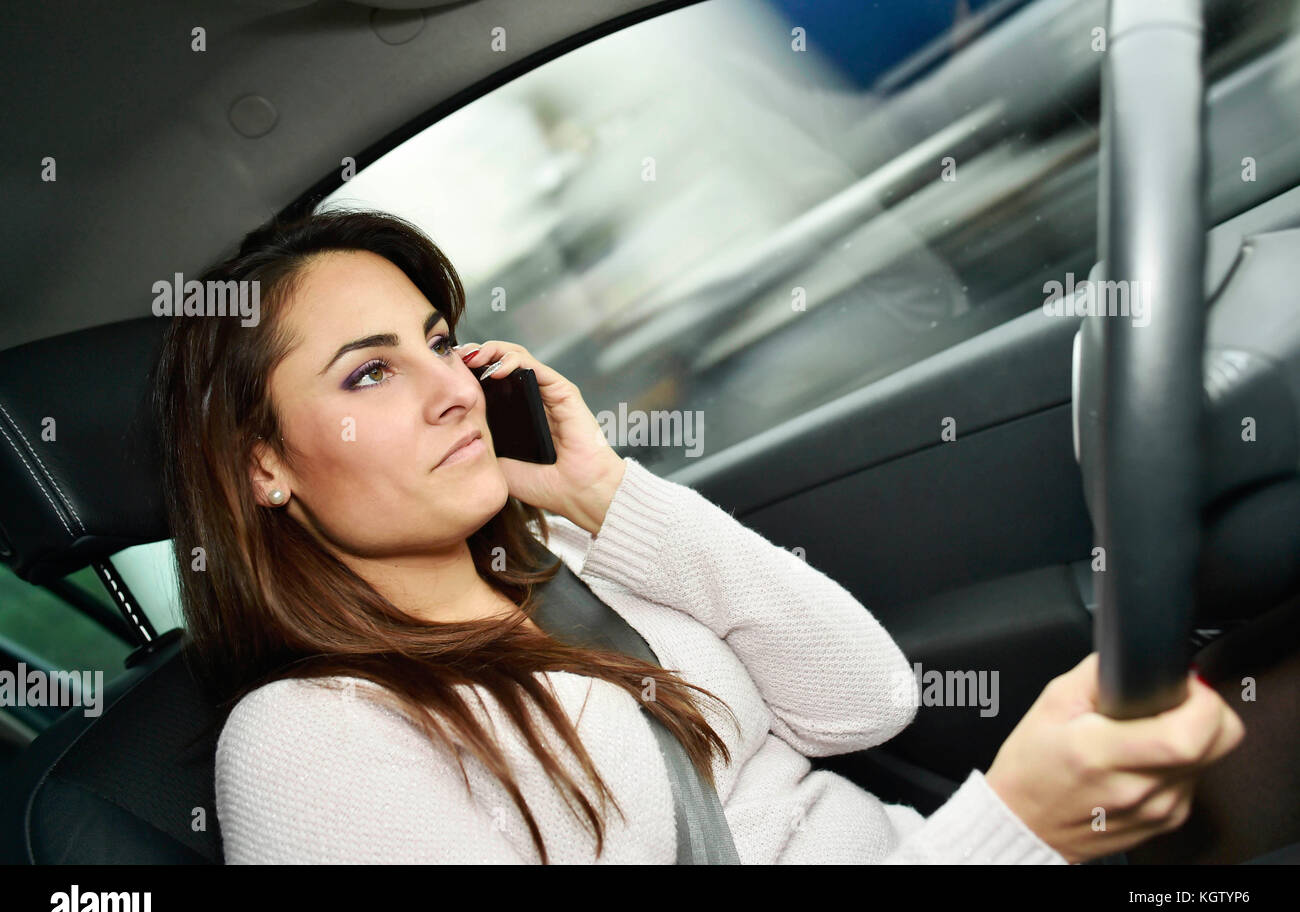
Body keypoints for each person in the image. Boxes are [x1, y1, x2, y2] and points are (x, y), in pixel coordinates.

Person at [153, 209, 1244, 864]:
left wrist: (601, 490)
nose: (452, 389)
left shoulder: (567, 561)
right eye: (371, 371)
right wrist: (1011, 832)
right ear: (264, 467)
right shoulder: (306, 739)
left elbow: (868, 699)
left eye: (441, 342)